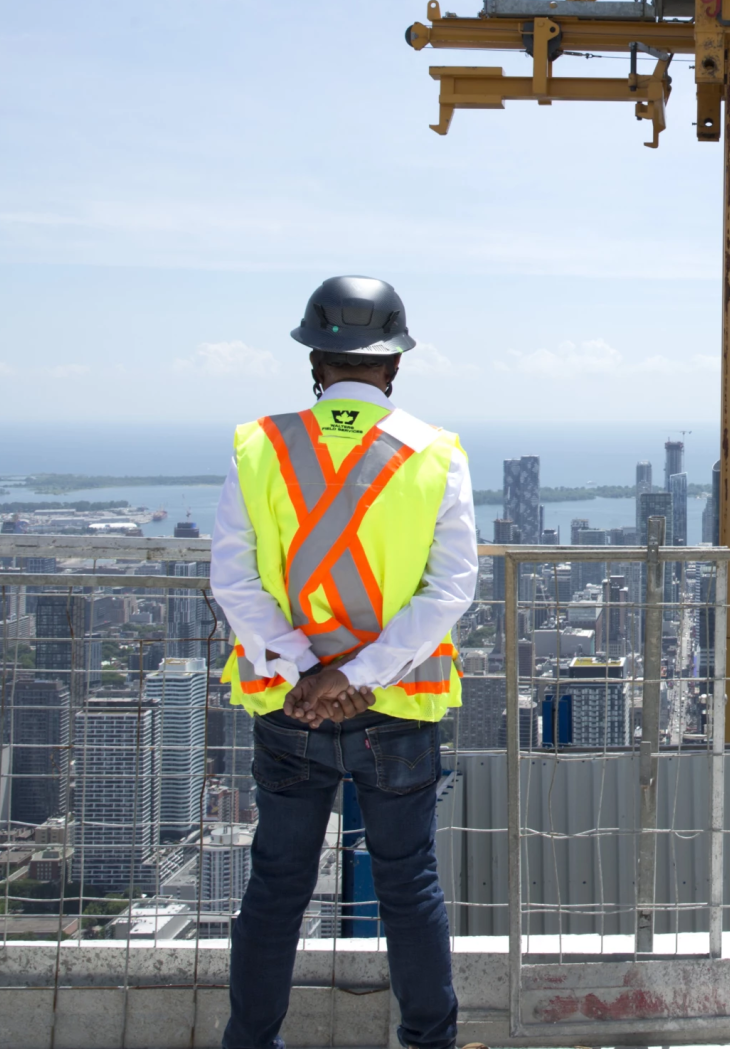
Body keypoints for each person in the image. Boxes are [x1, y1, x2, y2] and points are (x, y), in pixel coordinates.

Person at [210, 276, 476, 1049]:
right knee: (407, 886)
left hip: (286, 703)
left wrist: (306, 670)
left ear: (315, 361)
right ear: (394, 364)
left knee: (276, 886)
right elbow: (450, 588)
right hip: (397, 704)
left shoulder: (259, 446)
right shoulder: (435, 452)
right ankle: (429, 1041)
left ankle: (250, 1042)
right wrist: (357, 676)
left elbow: (234, 579)